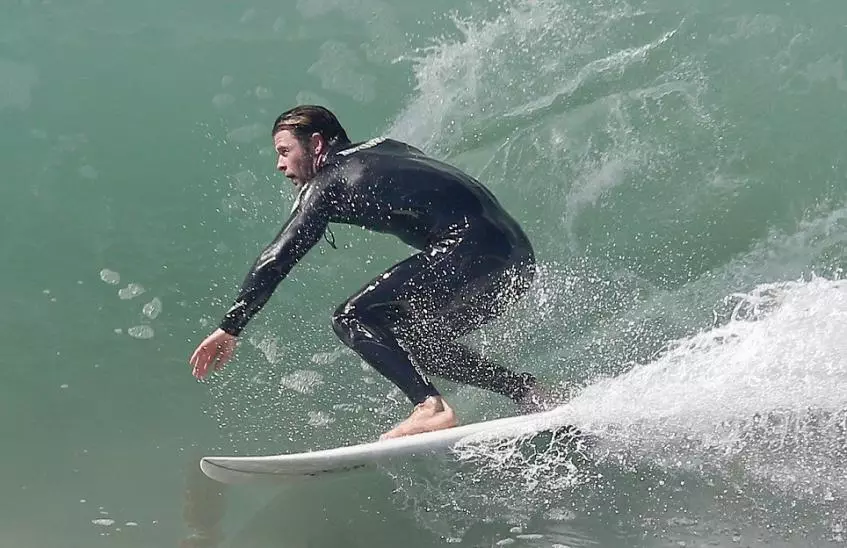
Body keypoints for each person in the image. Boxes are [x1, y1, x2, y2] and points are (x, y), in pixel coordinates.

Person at [189, 105, 550, 439]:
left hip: (470, 249)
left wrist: (230, 327)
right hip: (514, 254)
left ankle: (431, 407)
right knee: (414, 342)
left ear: (316, 144)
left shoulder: (327, 181)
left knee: (351, 317)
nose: (280, 166)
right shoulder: (385, 147)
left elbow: (277, 258)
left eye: (285, 152)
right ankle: (528, 391)